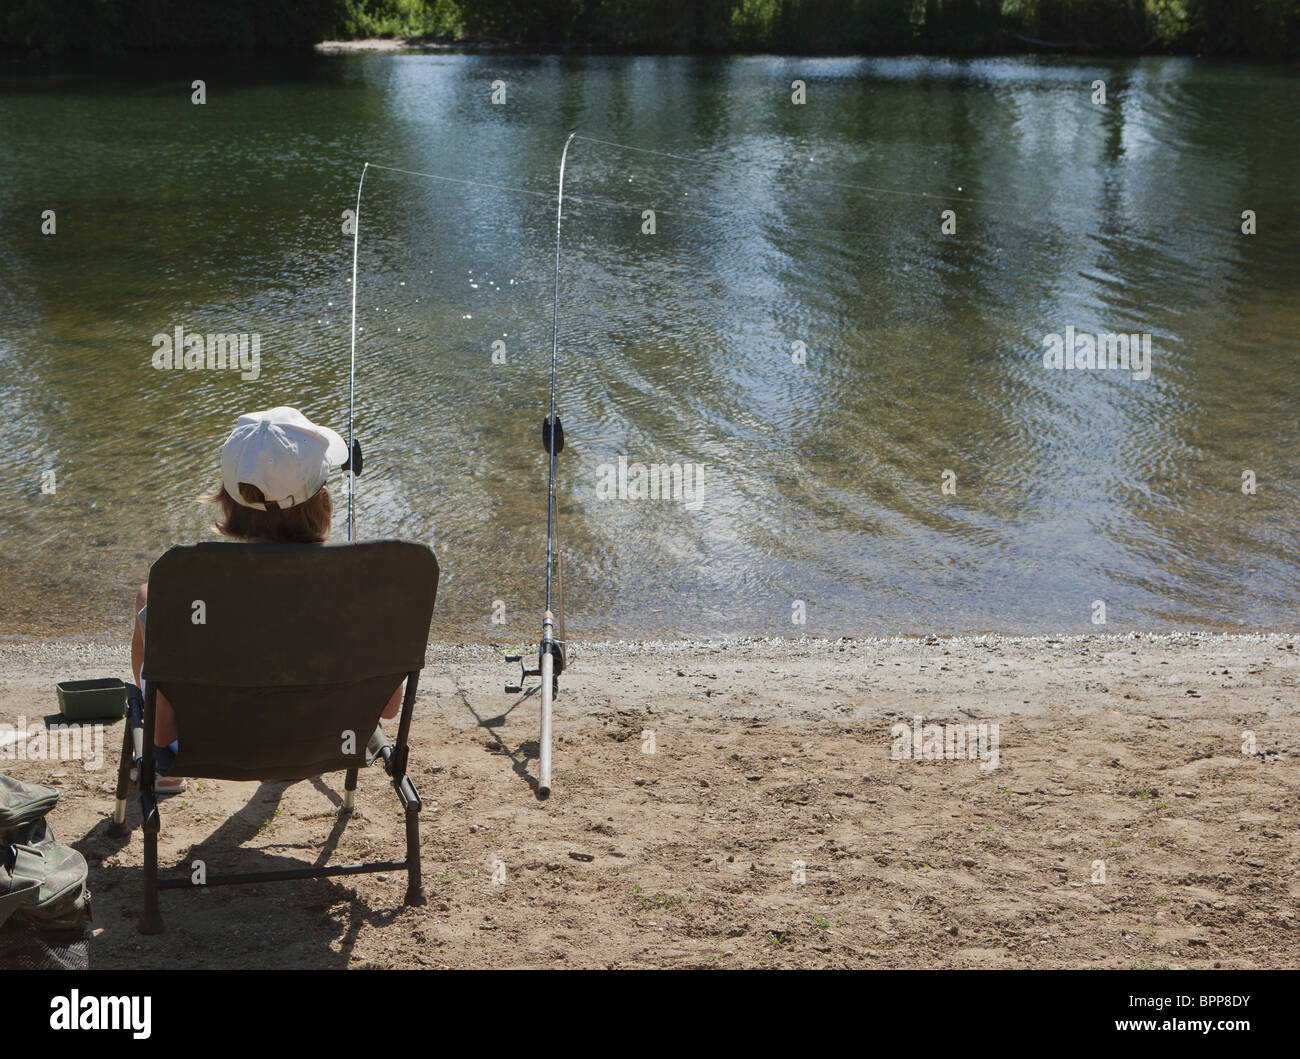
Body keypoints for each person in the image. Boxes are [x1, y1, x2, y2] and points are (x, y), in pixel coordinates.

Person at [131, 406, 404, 794]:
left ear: (227, 498)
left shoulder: (186, 590)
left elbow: (160, 733)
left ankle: (169, 773)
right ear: (322, 497)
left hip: (209, 748)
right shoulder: (366, 590)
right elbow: (388, 709)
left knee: (149, 598)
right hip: (326, 739)